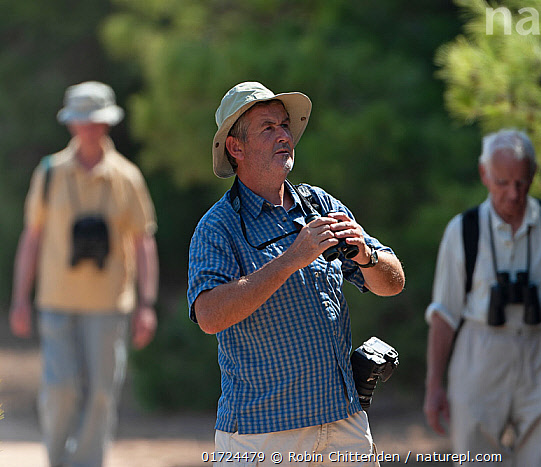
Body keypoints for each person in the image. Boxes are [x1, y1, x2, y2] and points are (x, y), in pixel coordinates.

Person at [187, 81, 405, 464]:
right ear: (235, 148)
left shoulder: (320, 204)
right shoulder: (217, 227)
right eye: (267, 128)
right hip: (262, 434)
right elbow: (209, 316)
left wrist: (367, 256)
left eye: (285, 125)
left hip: (345, 422)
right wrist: (291, 258)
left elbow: (393, 283)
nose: (284, 135)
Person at [423, 129, 541, 466]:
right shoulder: (463, 229)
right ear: (484, 175)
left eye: (521, 182)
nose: (513, 193)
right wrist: (434, 386)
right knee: (475, 457)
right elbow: (444, 315)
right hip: (479, 352)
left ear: (533, 174)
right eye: (503, 182)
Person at [9, 81, 159, 467]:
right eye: (82, 121)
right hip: (56, 301)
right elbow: (32, 238)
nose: (89, 128)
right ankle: (57, 460)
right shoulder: (49, 173)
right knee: (60, 389)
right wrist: (19, 300)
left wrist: (146, 303)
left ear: (107, 124)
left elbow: (144, 241)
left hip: (110, 304)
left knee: (102, 394)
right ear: (71, 125)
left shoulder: (127, 176)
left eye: (96, 121)